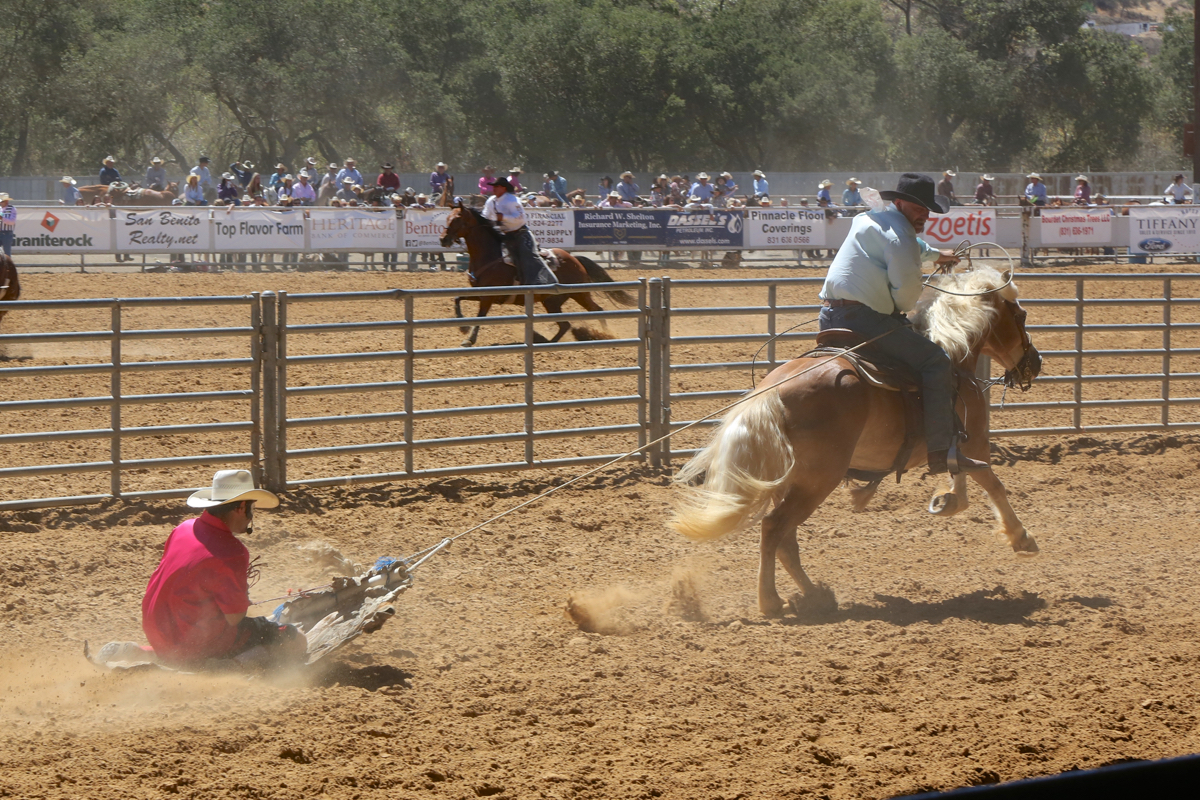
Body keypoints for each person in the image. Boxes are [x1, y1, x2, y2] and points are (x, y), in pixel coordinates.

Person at [817, 172, 988, 475]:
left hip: (830, 315)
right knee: (936, 361)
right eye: (919, 207)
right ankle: (941, 451)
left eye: (927, 209)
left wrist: (936, 255)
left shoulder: (873, 217)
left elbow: (910, 244)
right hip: (867, 320)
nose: (925, 214)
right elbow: (908, 299)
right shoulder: (902, 238)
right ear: (900, 202)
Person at [141, 469, 306, 669]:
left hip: (158, 632)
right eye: (251, 509)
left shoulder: (183, 528)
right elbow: (235, 617)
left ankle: (139, 653)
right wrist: (242, 596)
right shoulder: (232, 551)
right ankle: (230, 667)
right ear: (241, 507)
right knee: (295, 639)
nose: (250, 516)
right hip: (193, 643)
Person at [483, 177, 554, 286]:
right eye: (493, 186)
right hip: (503, 234)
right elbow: (485, 216)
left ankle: (545, 281)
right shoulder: (491, 201)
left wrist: (504, 217)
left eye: (496, 186)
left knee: (528, 256)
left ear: (504, 188)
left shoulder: (512, 200)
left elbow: (520, 218)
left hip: (520, 234)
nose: (494, 188)